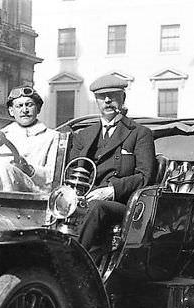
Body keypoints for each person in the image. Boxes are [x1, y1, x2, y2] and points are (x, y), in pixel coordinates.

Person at [67, 74, 156, 255]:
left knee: (97, 207)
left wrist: (110, 191)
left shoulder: (139, 133)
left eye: (113, 95)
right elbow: (70, 171)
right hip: (84, 199)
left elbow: (145, 177)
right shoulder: (83, 136)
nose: (107, 100)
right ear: (96, 101)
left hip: (121, 204)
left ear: (123, 98)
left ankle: (71, 260)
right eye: (102, 97)